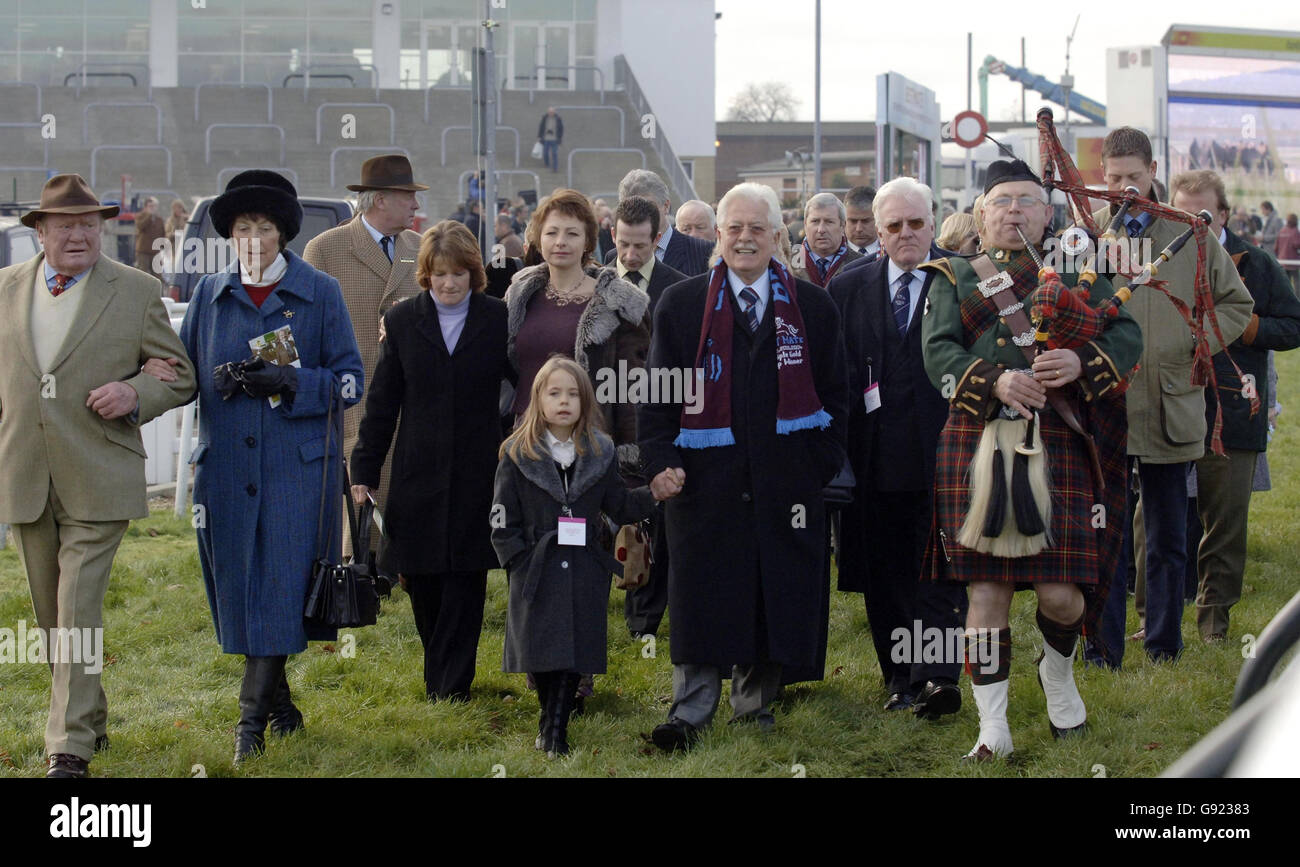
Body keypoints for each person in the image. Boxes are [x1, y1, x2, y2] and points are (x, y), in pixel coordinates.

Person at [921, 159, 1142, 759]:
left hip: (1059, 442)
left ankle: (1058, 673)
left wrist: (1080, 363)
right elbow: (936, 352)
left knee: (1060, 595)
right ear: (982, 213)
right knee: (986, 593)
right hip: (977, 444)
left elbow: (1126, 338)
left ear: (1048, 214)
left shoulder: (1080, 271)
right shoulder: (954, 275)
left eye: (1026, 200)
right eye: (1002, 201)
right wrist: (992, 381)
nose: (1014, 209)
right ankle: (992, 726)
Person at [638, 182, 849, 750]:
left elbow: (836, 398)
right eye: (734, 228)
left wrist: (816, 466)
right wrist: (659, 461)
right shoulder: (681, 305)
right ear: (718, 237)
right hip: (703, 483)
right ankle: (689, 710)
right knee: (702, 591)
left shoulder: (814, 308)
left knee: (769, 589)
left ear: (779, 237)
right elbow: (658, 397)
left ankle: (754, 706)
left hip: (786, 485)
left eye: (758, 228)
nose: (745, 238)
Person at [0, 174, 196, 778]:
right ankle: (93, 716)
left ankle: (68, 746)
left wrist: (131, 391)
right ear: (41, 233)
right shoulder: (5, 288)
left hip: (100, 475)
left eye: (90, 224)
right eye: (66, 225)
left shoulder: (135, 290)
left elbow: (180, 374)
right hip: (26, 478)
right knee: (53, 617)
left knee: (77, 606)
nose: (80, 234)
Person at [178, 170, 364, 764]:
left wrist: (292, 380)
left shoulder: (321, 292)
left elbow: (350, 381)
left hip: (296, 472)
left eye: (264, 227)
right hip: (226, 469)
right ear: (230, 235)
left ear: (282, 233)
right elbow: (180, 375)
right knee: (240, 592)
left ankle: (250, 725)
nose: (253, 238)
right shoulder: (209, 294)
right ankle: (281, 705)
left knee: (280, 590)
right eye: (242, 228)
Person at [1085, 128, 1253, 669]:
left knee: (1167, 535)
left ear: (1153, 169)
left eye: (1134, 176)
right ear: (1102, 176)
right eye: (1114, 179)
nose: (1125, 188)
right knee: (1106, 533)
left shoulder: (1193, 235)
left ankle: (1163, 643)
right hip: (1107, 406)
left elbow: (1235, 302)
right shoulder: (1086, 238)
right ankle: (1103, 647)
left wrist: (1194, 342)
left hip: (1170, 403)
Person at [350, 221, 512, 702]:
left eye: (458, 273)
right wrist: (363, 469)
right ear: (426, 274)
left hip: (478, 470)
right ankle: (438, 674)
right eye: (439, 273)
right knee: (421, 577)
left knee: (466, 579)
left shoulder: (497, 319)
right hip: (417, 470)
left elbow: (524, 385)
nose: (448, 283)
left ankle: (451, 688)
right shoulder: (402, 323)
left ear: (473, 274)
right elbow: (382, 402)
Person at [505, 187, 652, 706]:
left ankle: (580, 672)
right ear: (537, 238)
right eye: (551, 232)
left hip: (589, 448)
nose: (560, 241)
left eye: (572, 232)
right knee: (530, 558)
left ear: (591, 238)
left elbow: (633, 390)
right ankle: (537, 664)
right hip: (526, 447)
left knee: (580, 561)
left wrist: (630, 457)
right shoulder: (520, 292)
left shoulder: (618, 302)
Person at [828, 177, 967, 717]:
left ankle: (937, 678)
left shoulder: (964, 279)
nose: (906, 234)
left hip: (948, 456)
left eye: (916, 223)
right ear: (877, 233)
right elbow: (837, 377)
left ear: (933, 223)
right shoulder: (847, 287)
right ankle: (898, 678)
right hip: (874, 459)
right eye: (894, 226)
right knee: (885, 574)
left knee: (941, 570)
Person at [491, 356, 658, 757]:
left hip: (584, 566)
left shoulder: (599, 453)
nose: (563, 401)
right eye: (554, 393)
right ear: (538, 400)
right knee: (541, 649)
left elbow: (618, 504)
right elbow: (501, 515)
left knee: (572, 649)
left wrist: (655, 493)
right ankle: (547, 719)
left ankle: (554, 731)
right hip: (536, 567)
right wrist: (517, 559)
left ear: (585, 402)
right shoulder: (517, 453)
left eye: (572, 394)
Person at [1169, 172, 1300, 641]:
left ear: (1223, 213)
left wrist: (1250, 330)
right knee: (1156, 519)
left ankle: (1213, 624)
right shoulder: (1161, 260)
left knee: (1225, 522)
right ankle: (1155, 621)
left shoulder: (1258, 263)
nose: (1194, 222)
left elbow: (1293, 327)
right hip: (1169, 404)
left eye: (1203, 213)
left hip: (1235, 407)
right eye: (1184, 213)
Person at [303, 154, 427, 566]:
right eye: (407, 195)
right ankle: (357, 569)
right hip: (354, 398)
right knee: (360, 485)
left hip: (412, 396)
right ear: (379, 200)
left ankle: (402, 566)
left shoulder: (421, 248)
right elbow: (308, 326)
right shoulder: (326, 249)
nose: (415, 205)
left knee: (407, 484)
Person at [610, 194, 687, 641]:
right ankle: (625, 611)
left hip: (661, 418)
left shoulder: (677, 289)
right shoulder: (600, 286)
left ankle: (650, 619)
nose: (630, 254)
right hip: (610, 416)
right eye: (623, 244)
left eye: (640, 245)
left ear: (657, 239)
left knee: (658, 516)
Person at [612, 169, 713, 276]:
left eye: (648, 208)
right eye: (631, 209)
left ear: (666, 206)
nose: (639, 215)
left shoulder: (702, 251)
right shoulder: (614, 257)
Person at [791, 192, 860, 288]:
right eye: (815, 221)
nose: (821, 230)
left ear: (842, 226)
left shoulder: (860, 265)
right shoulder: (786, 263)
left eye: (829, 222)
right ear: (805, 224)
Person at [133, 196, 165, 281]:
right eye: (150, 206)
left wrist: (163, 248)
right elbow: (140, 226)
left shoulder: (159, 219)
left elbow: (162, 234)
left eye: (154, 206)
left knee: (158, 276)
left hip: (155, 252)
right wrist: (148, 216)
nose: (153, 208)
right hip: (143, 252)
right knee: (143, 276)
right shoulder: (140, 216)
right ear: (146, 207)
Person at [844, 185, 880, 259]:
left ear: (879, 219)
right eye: (853, 221)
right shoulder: (830, 254)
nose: (859, 229)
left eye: (865, 221)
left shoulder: (892, 254)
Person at [1275, 213, 1300, 292]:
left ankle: (1287, 298)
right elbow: (1297, 244)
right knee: (1296, 281)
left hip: (1282, 260)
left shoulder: (1282, 230)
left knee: (1286, 282)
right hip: (1293, 260)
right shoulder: (1295, 231)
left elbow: (1276, 247)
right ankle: (1297, 298)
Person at [537, 106, 564, 173]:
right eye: (549, 112)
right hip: (546, 138)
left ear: (554, 112)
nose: (551, 113)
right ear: (548, 112)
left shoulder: (558, 118)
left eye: (552, 112)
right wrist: (539, 136)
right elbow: (541, 126)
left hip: (555, 139)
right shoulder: (545, 118)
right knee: (545, 153)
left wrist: (560, 138)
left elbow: (561, 129)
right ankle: (547, 164)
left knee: (554, 153)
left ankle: (555, 168)